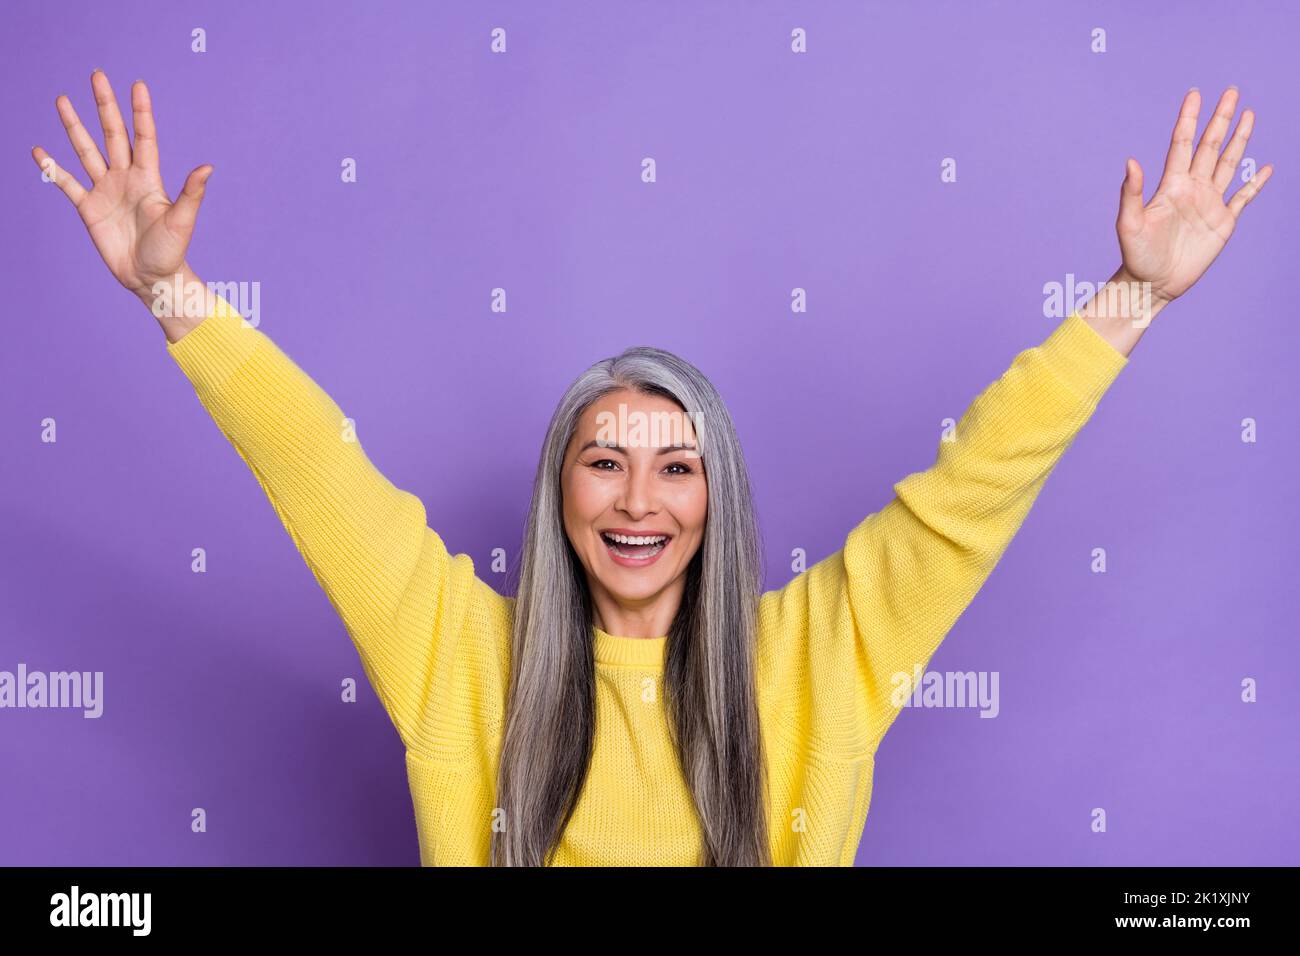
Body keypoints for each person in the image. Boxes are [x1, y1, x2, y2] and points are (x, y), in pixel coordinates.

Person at [32, 71, 1273, 866]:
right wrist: (168, 286)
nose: (639, 499)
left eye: (677, 466)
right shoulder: (460, 654)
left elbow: (971, 493)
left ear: (715, 498)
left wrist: (1130, 295)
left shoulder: (818, 655)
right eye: (605, 461)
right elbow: (320, 474)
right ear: (559, 490)